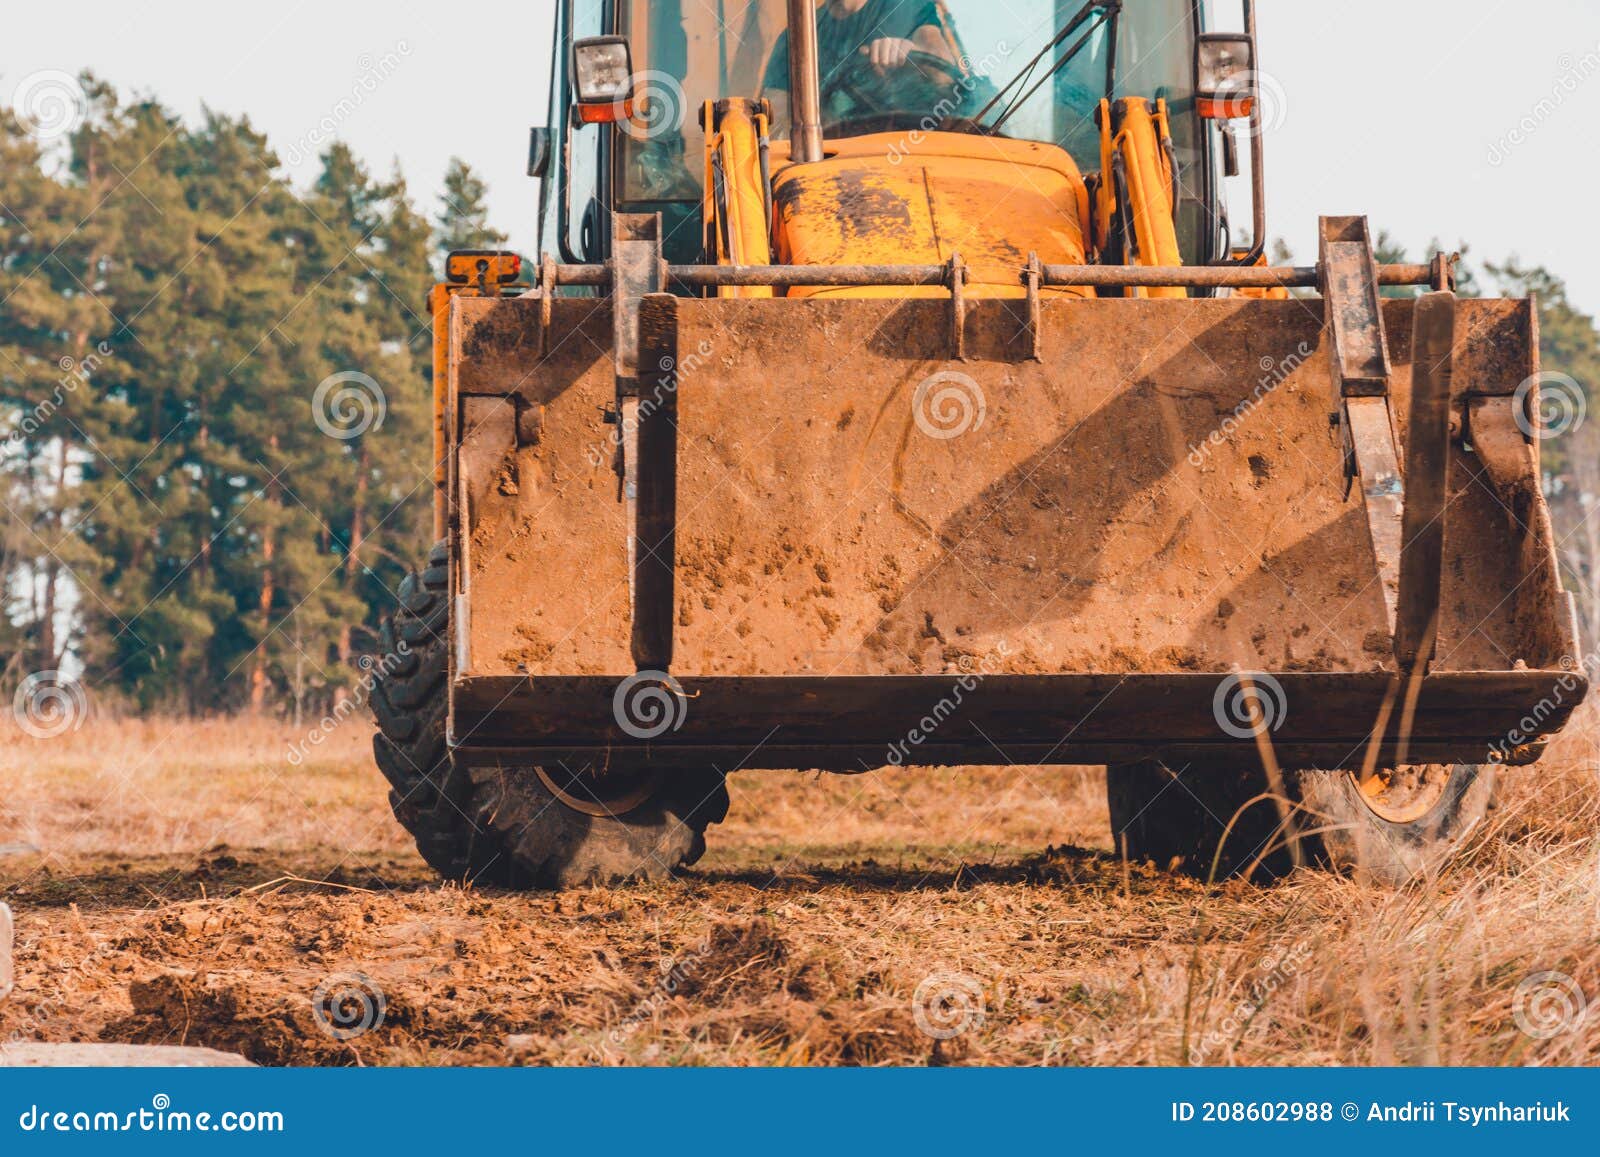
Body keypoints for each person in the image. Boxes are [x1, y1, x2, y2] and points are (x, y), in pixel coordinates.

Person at [763, 0, 961, 130]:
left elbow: (944, 75)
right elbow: (772, 123)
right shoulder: (796, 38)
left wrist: (908, 52)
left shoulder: (906, 6)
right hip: (838, 160)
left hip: (920, 142)